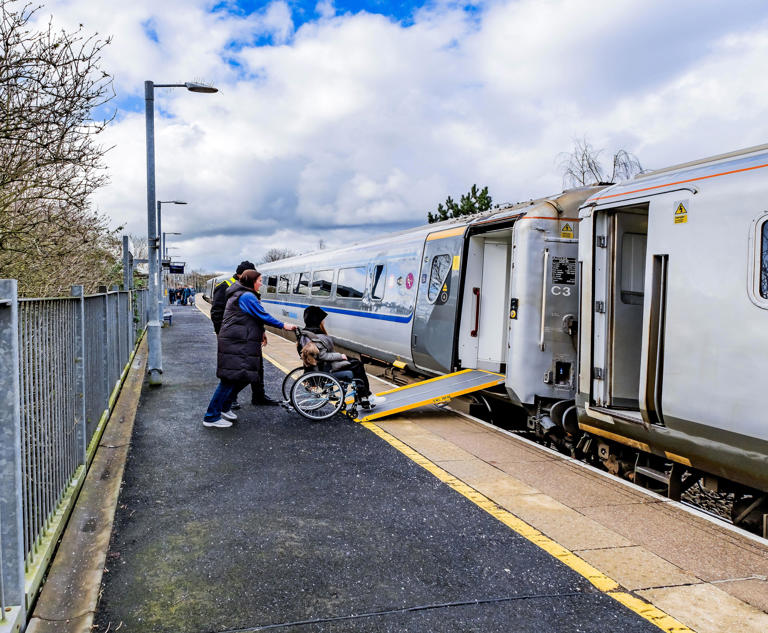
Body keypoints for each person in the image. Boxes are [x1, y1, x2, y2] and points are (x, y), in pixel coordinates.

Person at [204, 269, 297, 428]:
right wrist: (284, 325)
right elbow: (263, 315)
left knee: (244, 376)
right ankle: (211, 416)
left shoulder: (243, 294)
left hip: (241, 341)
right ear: (251, 281)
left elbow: (253, 318)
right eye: (260, 280)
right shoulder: (246, 296)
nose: (262, 283)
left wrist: (261, 332)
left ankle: (224, 408)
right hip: (236, 342)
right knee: (229, 379)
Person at [210, 260, 278, 408]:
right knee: (237, 369)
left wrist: (262, 331)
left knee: (257, 365)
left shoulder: (249, 288)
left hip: (250, 335)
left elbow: (255, 314)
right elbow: (216, 312)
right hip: (234, 336)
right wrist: (219, 332)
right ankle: (231, 399)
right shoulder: (226, 286)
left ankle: (259, 396)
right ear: (242, 274)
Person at [300, 305, 385, 409]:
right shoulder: (316, 337)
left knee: (354, 361)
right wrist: (340, 355)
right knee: (357, 365)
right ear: (317, 320)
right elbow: (323, 356)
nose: (324, 322)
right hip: (327, 368)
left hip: (321, 367)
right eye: (322, 320)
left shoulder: (306, 334)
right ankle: (366, 397)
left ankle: (362, 397)